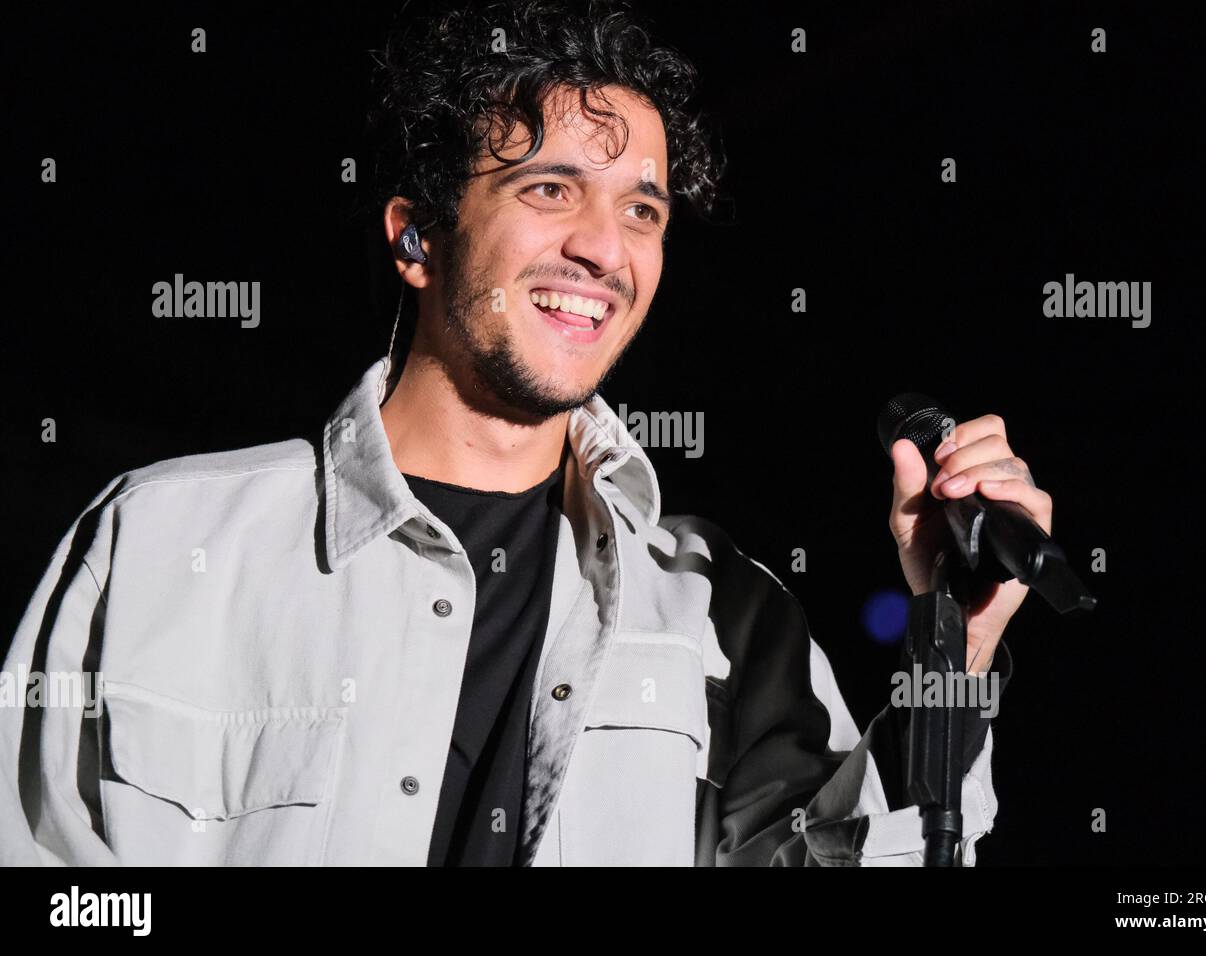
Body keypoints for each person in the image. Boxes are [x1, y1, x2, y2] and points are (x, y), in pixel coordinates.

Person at [0, 0, 1049, 866]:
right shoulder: (163, 538)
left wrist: (956, 642)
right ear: (417, 235)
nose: (603, 246)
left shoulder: (714, 604)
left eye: (642, 210)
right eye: (549, 189)